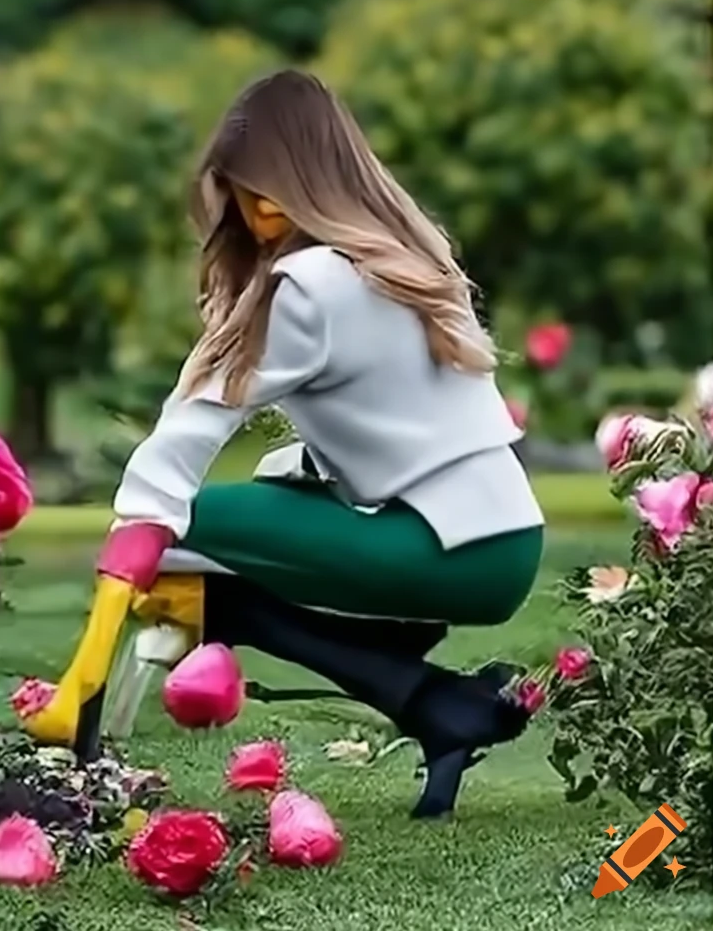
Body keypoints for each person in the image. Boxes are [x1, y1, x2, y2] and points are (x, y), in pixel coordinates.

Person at [95, 69, 545, 818]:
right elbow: (399, 418)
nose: (264, 204)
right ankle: (434, 705)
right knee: (216, 575)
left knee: (184, 528)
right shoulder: (403, 260)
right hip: (503, 538)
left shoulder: (309, 284)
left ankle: (87, 746)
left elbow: (203, 412)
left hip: (439, 543)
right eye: (249, 187)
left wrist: (140, 519)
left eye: (279, 184)